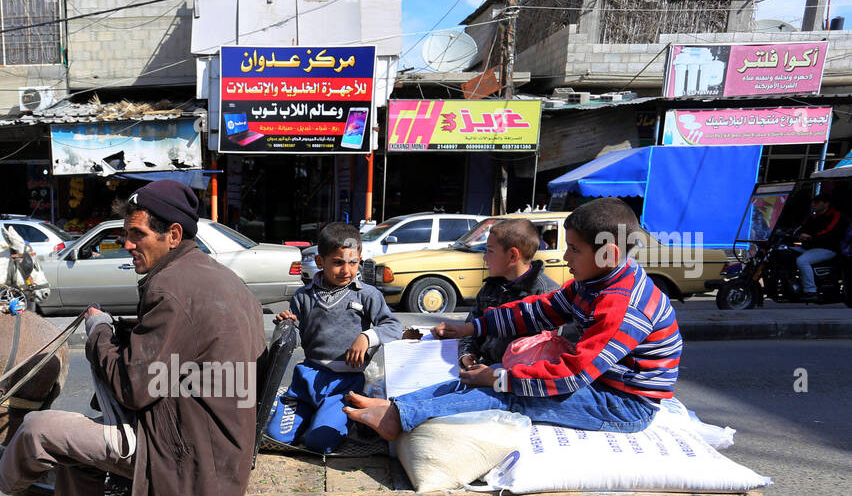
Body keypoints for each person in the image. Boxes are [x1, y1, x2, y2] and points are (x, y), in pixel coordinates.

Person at [0, 182, 266, 496]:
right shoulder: (210, 275)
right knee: (75, 455)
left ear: (173, 234)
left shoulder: (171, 288)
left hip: (182, 448)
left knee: (39, 429)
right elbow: (176, 348)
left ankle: (8, 472)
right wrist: (121, 331)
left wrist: (98, 332)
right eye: (124, 235)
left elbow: (132, 388)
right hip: (201, 428)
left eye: (137, 235)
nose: (127, 244)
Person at [343, 197, 681, 440]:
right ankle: (398, 407)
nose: (565, 256)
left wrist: (498, 378)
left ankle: (398, 417)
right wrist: (473, 327)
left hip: (622, 404)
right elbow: (538, 311)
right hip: (599, 383)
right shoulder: (593, 282)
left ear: (609, 254)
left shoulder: (623, 306)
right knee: (479, 377)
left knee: (511, 390)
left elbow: (571, 375)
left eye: (574, 249)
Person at [265, 222, 401, 452]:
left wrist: (367, 337)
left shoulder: (368, 295)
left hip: (346, 386)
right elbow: (296, 335)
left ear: (360, 259)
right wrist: (288, 324)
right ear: (320, 262)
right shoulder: (303, 296)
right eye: (338, 262)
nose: (346, 270)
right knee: (277, 435)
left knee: (319, 443)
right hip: (308, 379)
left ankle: (344, 417)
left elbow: (393, 326)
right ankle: (312, 412)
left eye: (353, 262)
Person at [452, 218, 564, 369]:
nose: (485, 257)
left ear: (512, 255)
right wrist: (467, 355)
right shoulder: (491, 287)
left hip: (510, 378)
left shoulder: (545, 296)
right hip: (485, 369)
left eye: (490, 251)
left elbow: (544, 357)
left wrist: (495, 375)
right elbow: (471, 329)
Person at [793, 195, 844, 302]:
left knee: (802, 261)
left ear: (826, 204)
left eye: (817, 202)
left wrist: (812, 237)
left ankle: (810, 290)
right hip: (810, 247)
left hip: (827, 248)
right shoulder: (813, 217)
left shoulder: (835, 215)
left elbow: (830, 232)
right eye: (813, 202)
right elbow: (799, 228)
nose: (813, 205)